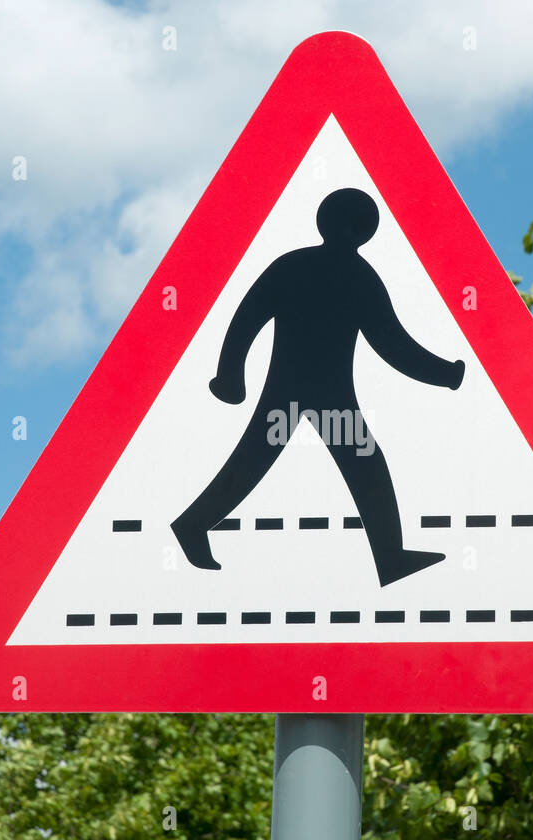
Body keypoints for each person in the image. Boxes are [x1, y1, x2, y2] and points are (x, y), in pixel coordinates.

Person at [171, 188, 465, 587]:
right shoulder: (357, 276)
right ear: (366, 230)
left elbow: (247, 320)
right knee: (351, 464)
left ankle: (390, 557)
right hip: (322, 395)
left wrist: (230, 377)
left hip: (308, 393)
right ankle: (390, 557)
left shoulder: (295, 265)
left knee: (280, 463)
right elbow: (393, 345)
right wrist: (445, 374)